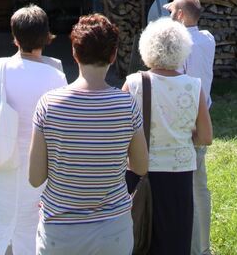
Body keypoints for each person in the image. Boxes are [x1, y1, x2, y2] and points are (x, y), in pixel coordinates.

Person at [29, 13, 148, 255]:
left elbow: (35, 177)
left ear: (74, 52)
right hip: (112, 230)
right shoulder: (126, 105)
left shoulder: (48, 104)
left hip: (60, 231)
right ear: (113, 55)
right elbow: (141, 166)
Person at [0, 5, 67, 254]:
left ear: (14, 37)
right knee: (32, 236)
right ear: (47, 36)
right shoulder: (57, 76)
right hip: (38, 170)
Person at [124, 17, 213, 255]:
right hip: (179, 173)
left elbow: (121, 131)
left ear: (147, 47)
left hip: (138, 171)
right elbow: (206, 137)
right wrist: (183, 135)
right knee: (175, 240)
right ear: (183, 50)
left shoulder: (133, 83)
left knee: (138, 239)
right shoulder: (194, 86)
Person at [164, 0, 216, 255]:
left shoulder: (180, 43)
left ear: (181, 15)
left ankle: (192, 245)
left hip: (186, 119)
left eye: (173, 11)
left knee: (187, 184)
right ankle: (202, 246)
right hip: (202, 114)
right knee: (199, 185)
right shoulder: (208, 38)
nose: (170, 16)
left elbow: (178, 80)